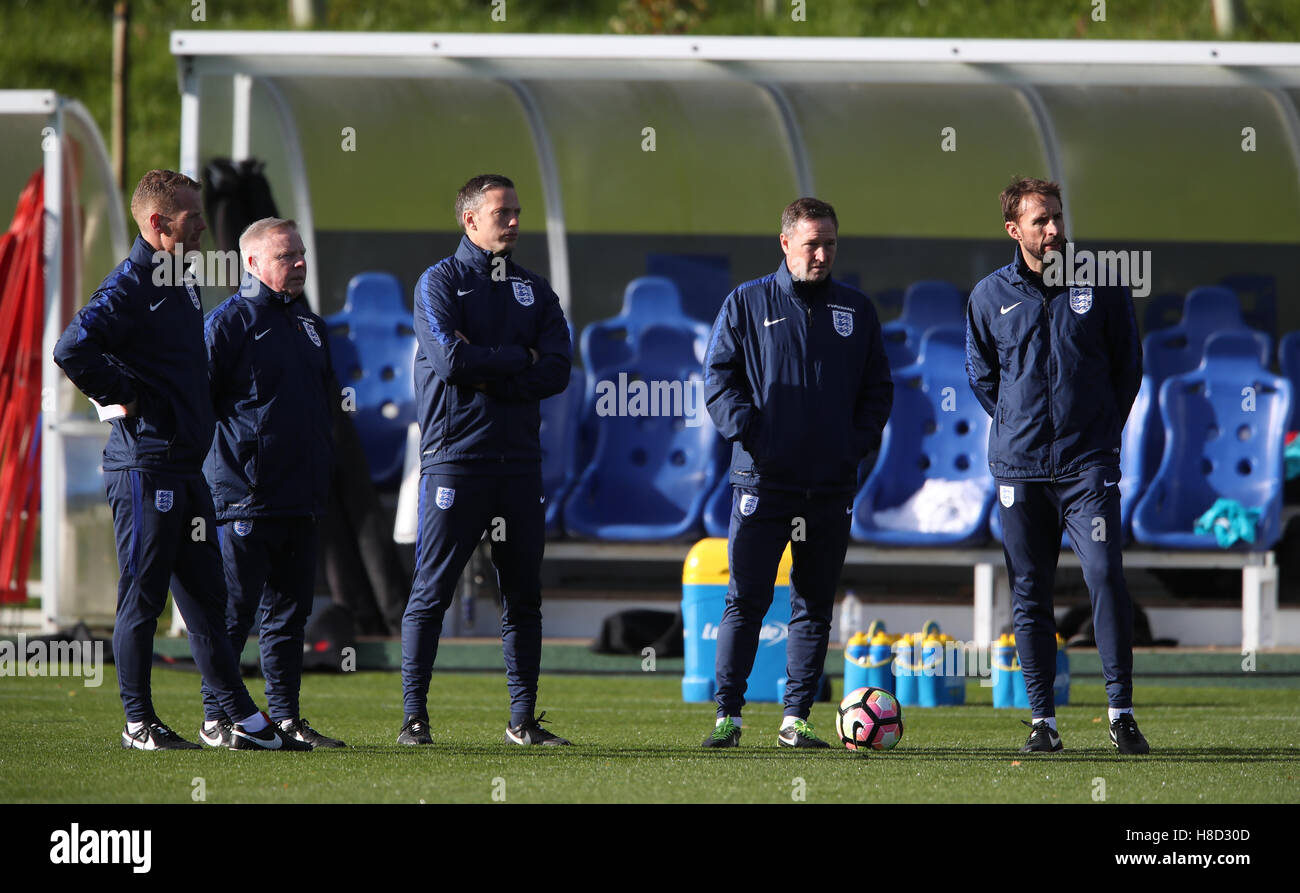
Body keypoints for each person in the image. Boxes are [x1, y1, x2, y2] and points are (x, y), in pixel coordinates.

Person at [53, 170, 308, 751]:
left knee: (207, 604)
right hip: (145, 469)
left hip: (184, 467)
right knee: (142, 597)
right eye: (193, 219)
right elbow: (72, 348)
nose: (203, 229)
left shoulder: (183, 281)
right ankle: (138, 722)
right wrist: (129, 395)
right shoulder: (128, 287)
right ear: (157, 224)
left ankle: (234, 719)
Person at [965, 176, 1148, 754]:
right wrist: (1022, 424)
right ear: (1013, 230)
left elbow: (1128, 369)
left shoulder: (1101, 284)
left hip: (1086, 467)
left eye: (1058, 218)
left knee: (1104, 575)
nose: (1053, 230)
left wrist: (1096, 433)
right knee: (1029, 590)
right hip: (1019, 471)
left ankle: (1120, 712)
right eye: (1040, 220)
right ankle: (1043, 722)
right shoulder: (988, 296)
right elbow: (983, 377)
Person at [702, 197, 893, 748]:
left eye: (830, 243)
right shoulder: (746, 302)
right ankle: (728, 717)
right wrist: (756, 439)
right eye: (812, 243)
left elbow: (878, 390)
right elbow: (718, 381)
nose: (822, 253)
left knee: (814, 603)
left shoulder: (856, 310)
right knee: (748, 599)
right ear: (785, 243)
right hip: (762, 482)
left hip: (829, 486)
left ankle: (795, 719)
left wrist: (851, 447)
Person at [399, 174, 573, 746]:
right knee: (433, 591)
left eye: (519, 211)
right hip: (457, 461)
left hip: (520, 464)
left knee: (523, 595)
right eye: (504, 213)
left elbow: (557, 370)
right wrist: (516, 360)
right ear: (470, 220)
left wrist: (491, 364)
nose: (516, 222)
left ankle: (523, 720)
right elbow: (450, 363)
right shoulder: (439, 282)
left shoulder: (533, 289)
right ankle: (414, 718)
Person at [198, 218, 345, 749]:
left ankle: (284, 718)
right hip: (245, 495)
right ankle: (218, 718)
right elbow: (201, 406)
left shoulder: (310, 326)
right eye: (287, 256)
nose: (300, 263)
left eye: (302, 254)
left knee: (288, 615)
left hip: (300, 496)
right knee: (233, 613)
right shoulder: (227, 323)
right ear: (253, 263)